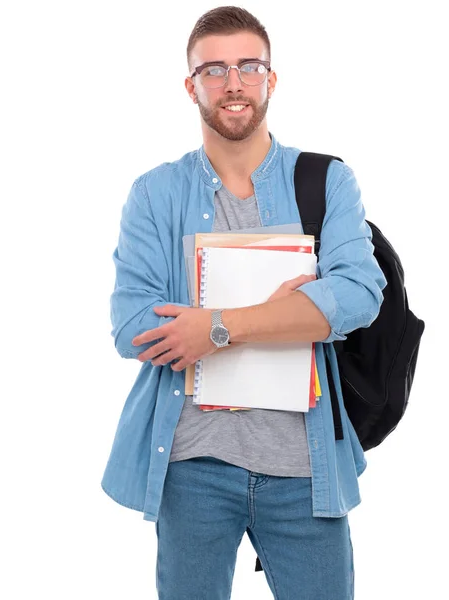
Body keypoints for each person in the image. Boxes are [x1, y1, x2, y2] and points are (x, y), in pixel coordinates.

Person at [101, 6, 387, 599]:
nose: (234, 83)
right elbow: (134, 326)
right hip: (193, 468)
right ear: (191, 85)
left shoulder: (326, 181)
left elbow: (358, 295)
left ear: (271, 79)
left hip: (306, 470)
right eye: (214, 69)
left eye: (249, 66)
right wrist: (298, 309)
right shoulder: (155, 194)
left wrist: (220, 327)